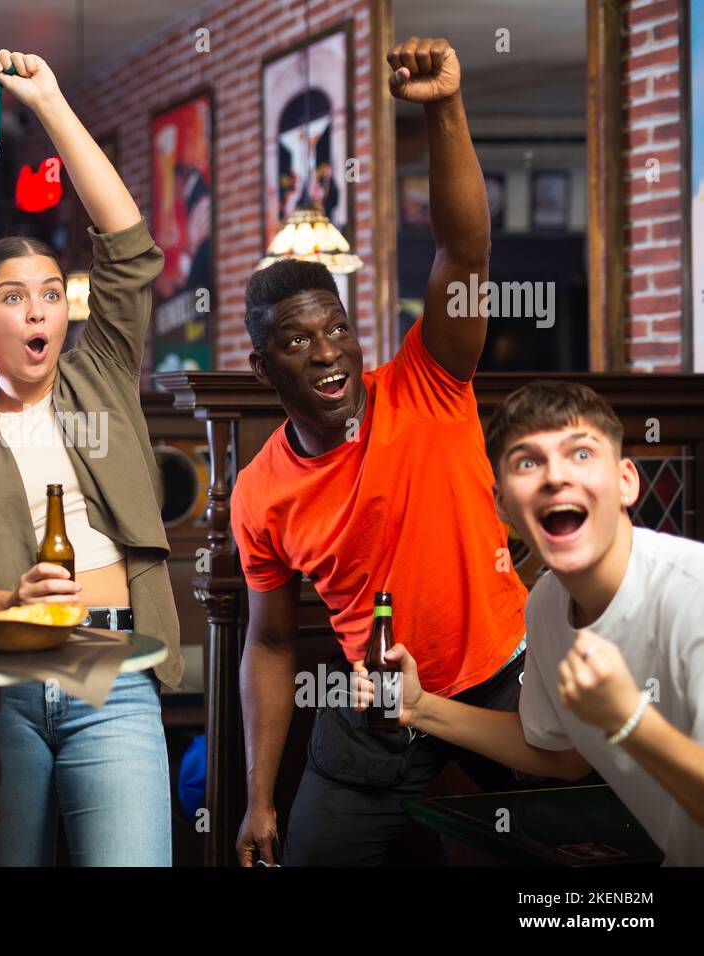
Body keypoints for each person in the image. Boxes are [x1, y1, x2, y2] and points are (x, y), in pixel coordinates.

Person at [231, 36, 532, 866]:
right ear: (265, 368)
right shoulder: (260, 493)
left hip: (503, 677)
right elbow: (271, 642)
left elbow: (463, 254)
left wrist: (443, 108)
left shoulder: (428, 381)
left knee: (571, 862)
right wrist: (260, 798)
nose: (328, 353)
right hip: (374, 704)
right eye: (297, 341)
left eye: (337, 329)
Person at [0, 49, 182, 867]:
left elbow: (128, 244)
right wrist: (11, 597)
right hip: (4, 692)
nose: (39, 309)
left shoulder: (101, 374)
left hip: (112, 676)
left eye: (51, 292)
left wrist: (49, 103)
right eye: (14, 297)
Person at [353, 381, 704, 865]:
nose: (555, 476)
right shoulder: (546, 602)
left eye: (581, 454)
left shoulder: (694, 594)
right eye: (528, 462)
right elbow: (558, 752)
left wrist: (628, 720)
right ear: (500, 505)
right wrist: (417, 708)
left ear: (626, 481)